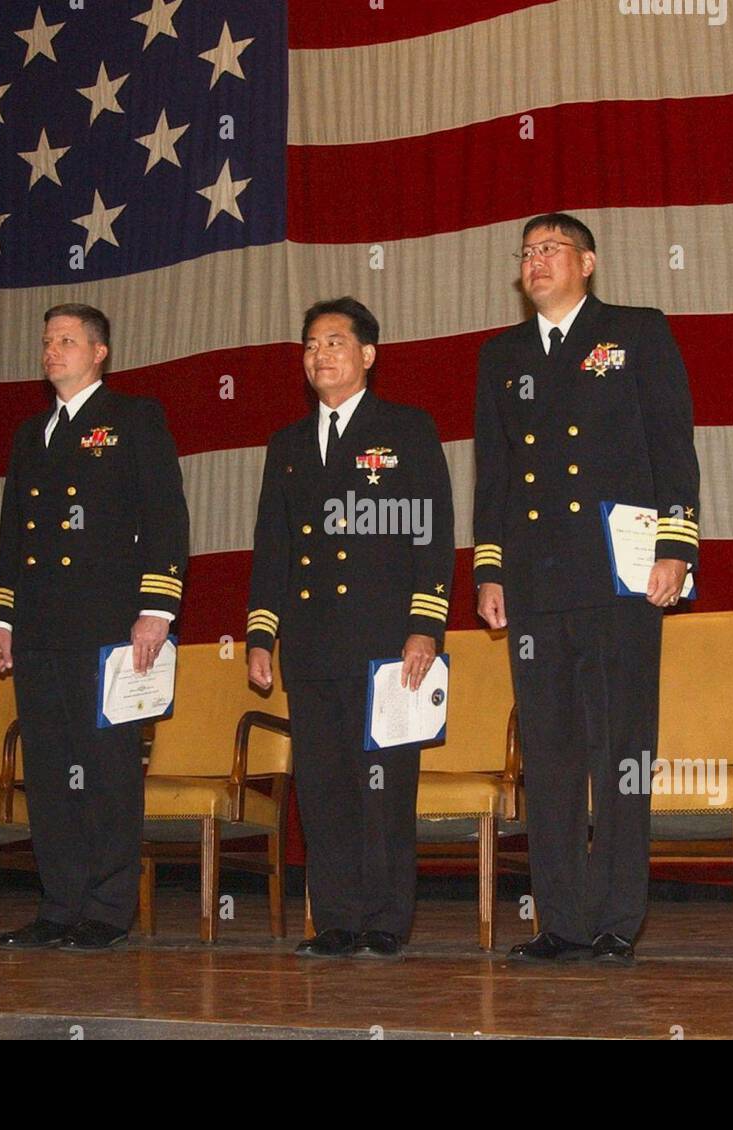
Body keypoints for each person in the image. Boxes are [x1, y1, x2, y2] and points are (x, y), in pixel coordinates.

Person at [474, 213, 699, 964]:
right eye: (528, 252)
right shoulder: (501, 355)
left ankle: (616, 918)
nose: (537, 262)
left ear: (588, 262)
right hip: (536, 580)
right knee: (552, 752)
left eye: (552, 250)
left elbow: (673, 446)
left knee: (620, 748)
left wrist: (676, 546)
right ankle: (560, 919)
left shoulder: (635, 331)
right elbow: (496, 475)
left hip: (620, 577)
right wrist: (490, 568)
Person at [246, 297, 454, 960]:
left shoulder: (407, 429)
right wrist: (260, 634)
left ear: (367, 355)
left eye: (335, 342)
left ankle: (387, 918)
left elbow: (433, 533)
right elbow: (272, 546)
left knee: (384, 785)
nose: (320, 355)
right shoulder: (286, 444)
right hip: (309, 641)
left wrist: (426, 625)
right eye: (311, 344)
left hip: (386, 644)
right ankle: (333, 918)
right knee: (324, 784)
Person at [0, 304, 189, 951]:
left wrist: (157, 609)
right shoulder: (31, 434)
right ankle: (59, 903)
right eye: (47, 341)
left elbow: (165, 514)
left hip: (108, 627)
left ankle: (105, 907)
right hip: (40, 627)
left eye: (67, 340)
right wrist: (2, 617)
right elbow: (14, 536)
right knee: (49, 771)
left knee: (105, 771)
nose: (53, 351)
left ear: (99, 352)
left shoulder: (133, 417)